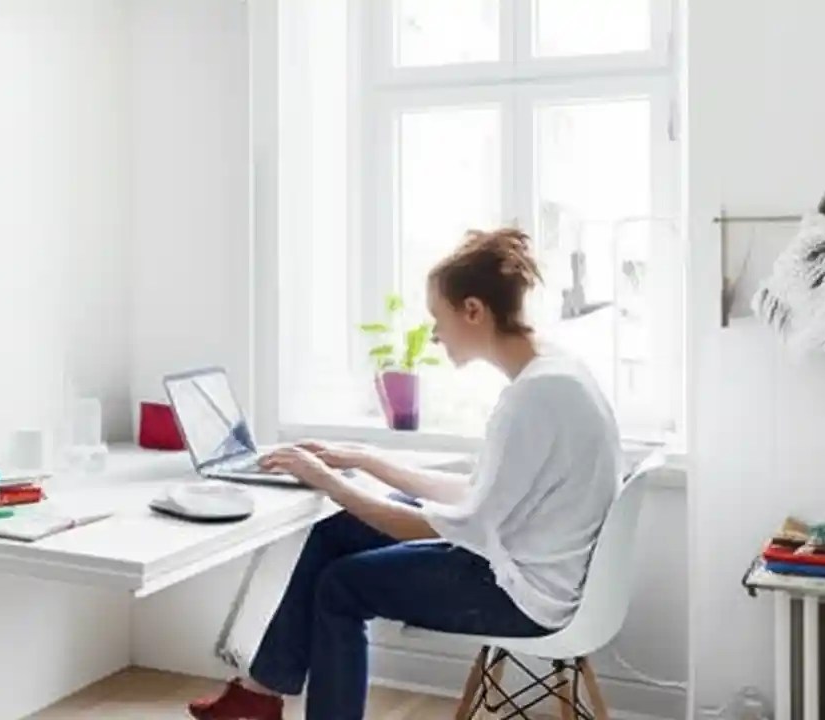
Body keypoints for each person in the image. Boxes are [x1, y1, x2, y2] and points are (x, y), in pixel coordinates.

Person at [188, 228, 624, 720]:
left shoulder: (532, 398)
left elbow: (445, 525)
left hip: (518, 591)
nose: (435, 334)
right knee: (336, 529)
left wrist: (327, 480)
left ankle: (267, 700)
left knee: (340, 587)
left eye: (438, 317)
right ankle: (259, 693)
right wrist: (363, 459)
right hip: (521, 561)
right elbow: (477, 496)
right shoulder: (554, 374)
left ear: (474, 311)